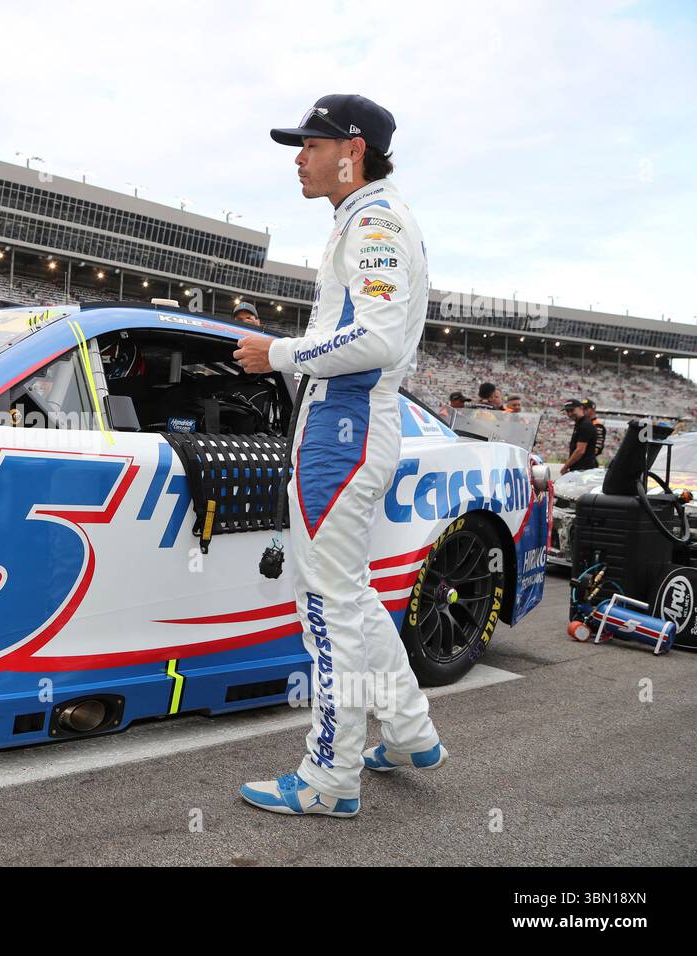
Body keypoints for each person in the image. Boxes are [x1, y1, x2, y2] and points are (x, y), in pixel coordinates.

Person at [233, 93, 443, 818]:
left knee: (326, 607)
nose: (299, 156)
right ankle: (411, 733)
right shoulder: (368, 218)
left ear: (351, 149)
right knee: (350, 597)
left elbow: (380, 339)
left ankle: (329, 777)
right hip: (350, 423)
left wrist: (278, 352)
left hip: (345, 424)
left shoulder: (374, 220)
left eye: (311, 144)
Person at [561, 399, 599, 474]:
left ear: (581, 408)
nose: (569, 414)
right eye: (567, 411)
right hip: (580, 469)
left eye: (572, 410)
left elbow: (580, 451)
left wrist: (565, 467)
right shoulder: (580, 424)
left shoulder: (585, 425)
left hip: (584, 470)